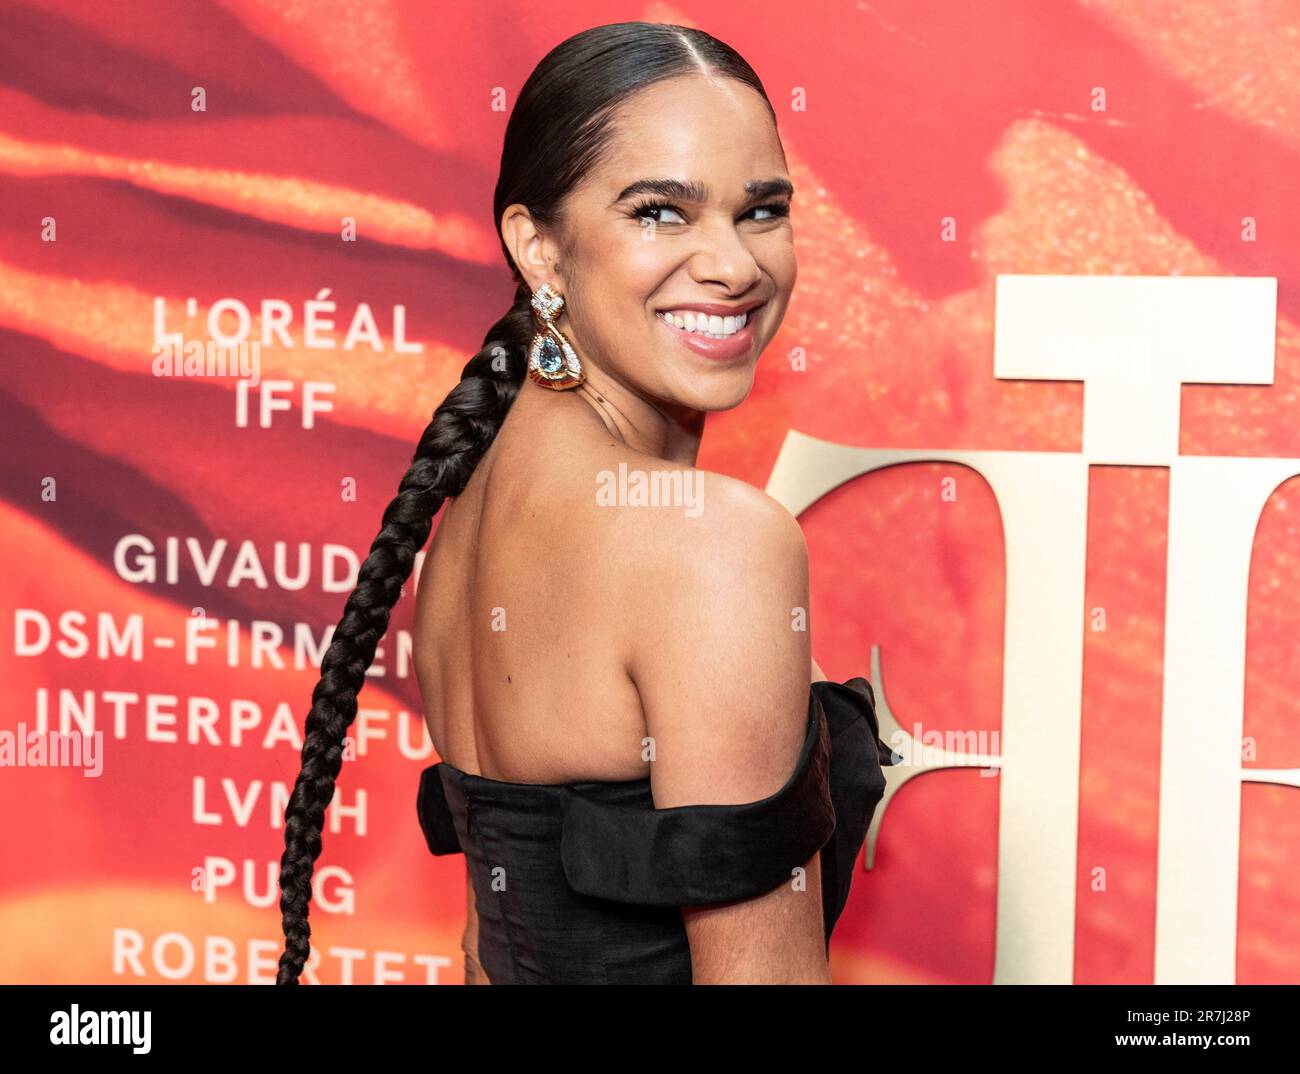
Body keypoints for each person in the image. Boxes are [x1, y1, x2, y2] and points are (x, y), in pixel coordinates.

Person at [276, 20, 894, 987]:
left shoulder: (466, 515)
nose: (734, 264)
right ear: (540, 248)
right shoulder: (710, 544)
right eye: (659, 212)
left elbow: (489, 952)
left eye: (762, 210)